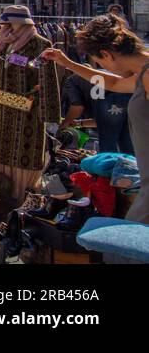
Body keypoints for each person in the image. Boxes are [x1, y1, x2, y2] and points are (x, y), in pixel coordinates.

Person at [41, 14, 149, 227]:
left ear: (106, 54)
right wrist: (68, 63)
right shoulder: (143, 72)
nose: (103, 68)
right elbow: (115, 84)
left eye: (99, 62)